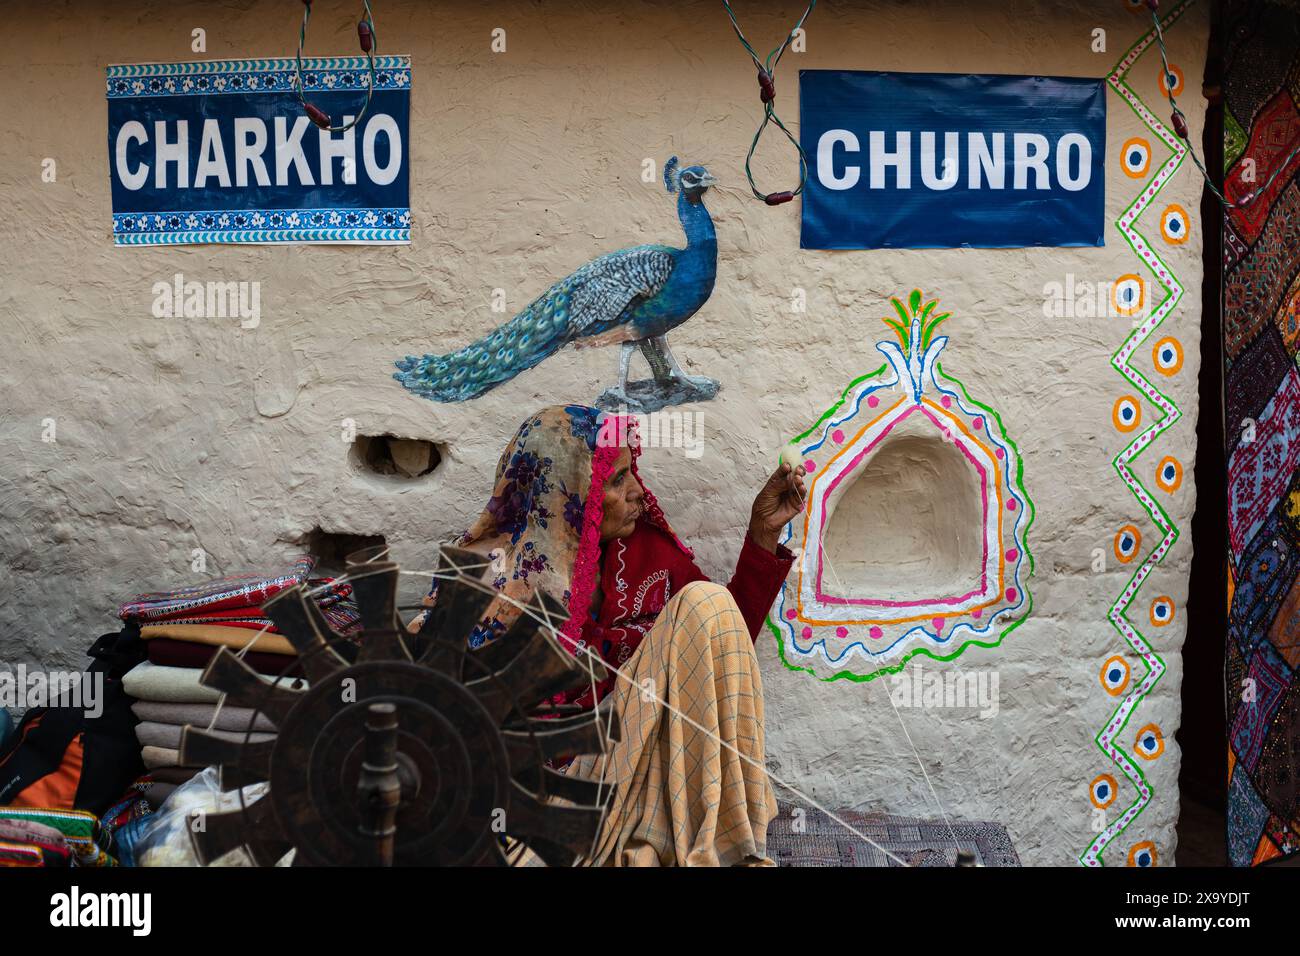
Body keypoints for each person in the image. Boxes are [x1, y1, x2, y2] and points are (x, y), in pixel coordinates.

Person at [410, 404, 806, 866]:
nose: (638, 490)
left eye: (630, 471)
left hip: (644, 772)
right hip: (548, 794)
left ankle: (717, 847)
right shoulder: (487, 579)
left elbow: (719, 647)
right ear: (570, 492)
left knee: (707, 602)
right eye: (616, 480)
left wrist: (761, 534)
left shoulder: (647, 553)